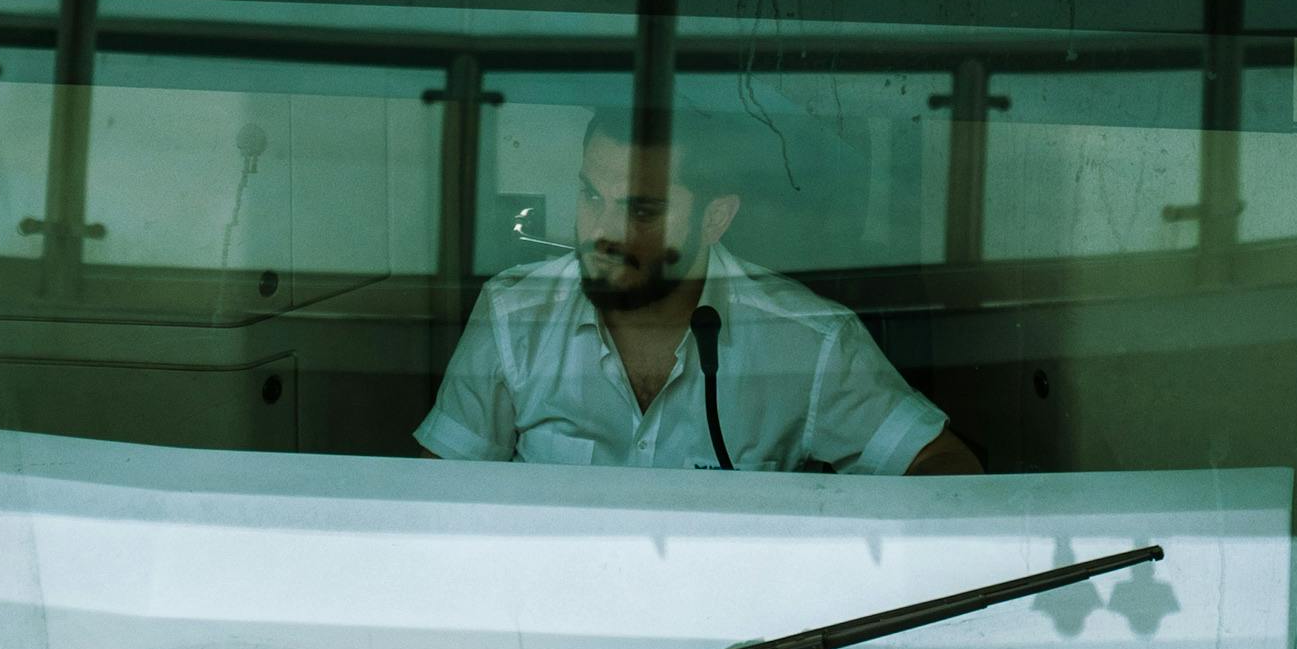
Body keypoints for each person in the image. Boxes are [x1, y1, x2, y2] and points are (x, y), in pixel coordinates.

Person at [418, 116, 981, 477]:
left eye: (641, 210)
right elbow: (438, 492)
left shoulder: (807, 337)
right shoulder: (515, 313)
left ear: (715, 218)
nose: (600, 232)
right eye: (590, 196)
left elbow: (944, 466)